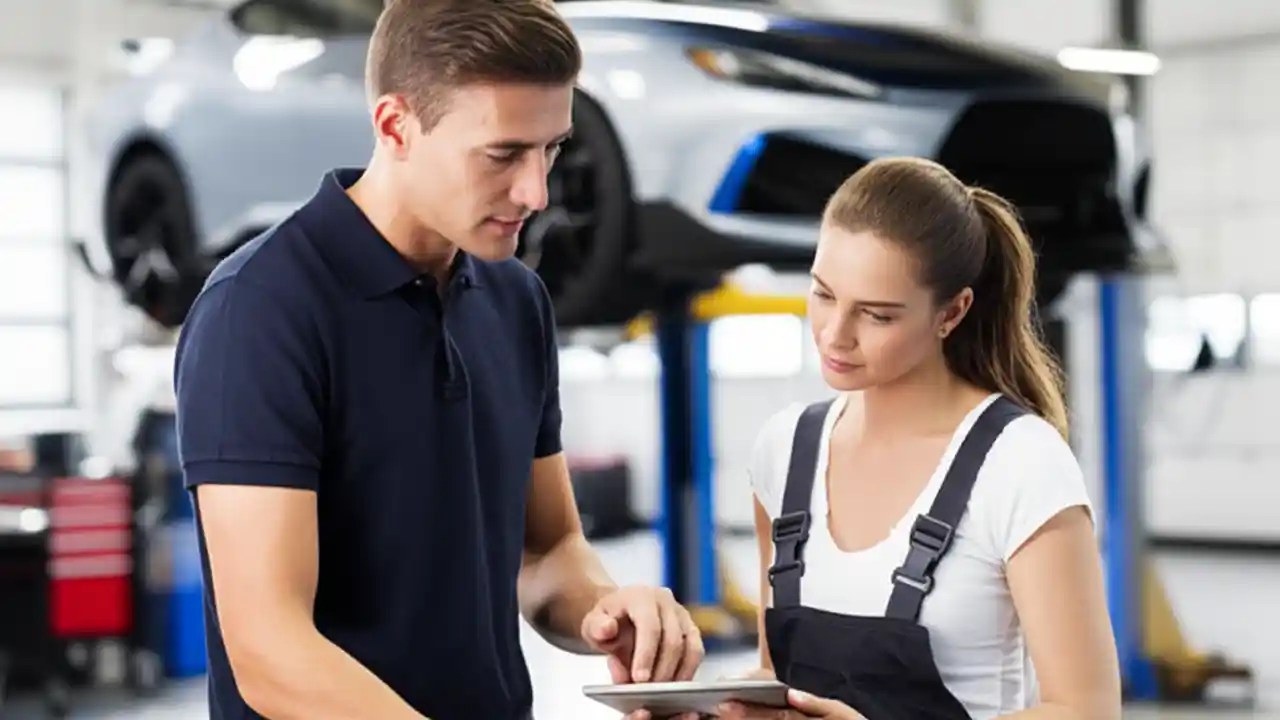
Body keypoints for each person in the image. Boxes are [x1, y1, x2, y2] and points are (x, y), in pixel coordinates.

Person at [172, 1, 703, 718]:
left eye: (551, 149)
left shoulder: (517, 300)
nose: (536, 193)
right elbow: (270, 653)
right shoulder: (260, 311)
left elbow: (545, 552)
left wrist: (610, 611)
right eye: (504, 154)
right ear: (396, 126)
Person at [717, 157, 1122, 720]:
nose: (836, 335)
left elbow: (1087, 711)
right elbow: (778, 675)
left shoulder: (1021, 464)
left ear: (951, 313)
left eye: (876, 316)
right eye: (823, 294)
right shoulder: (784, 450)